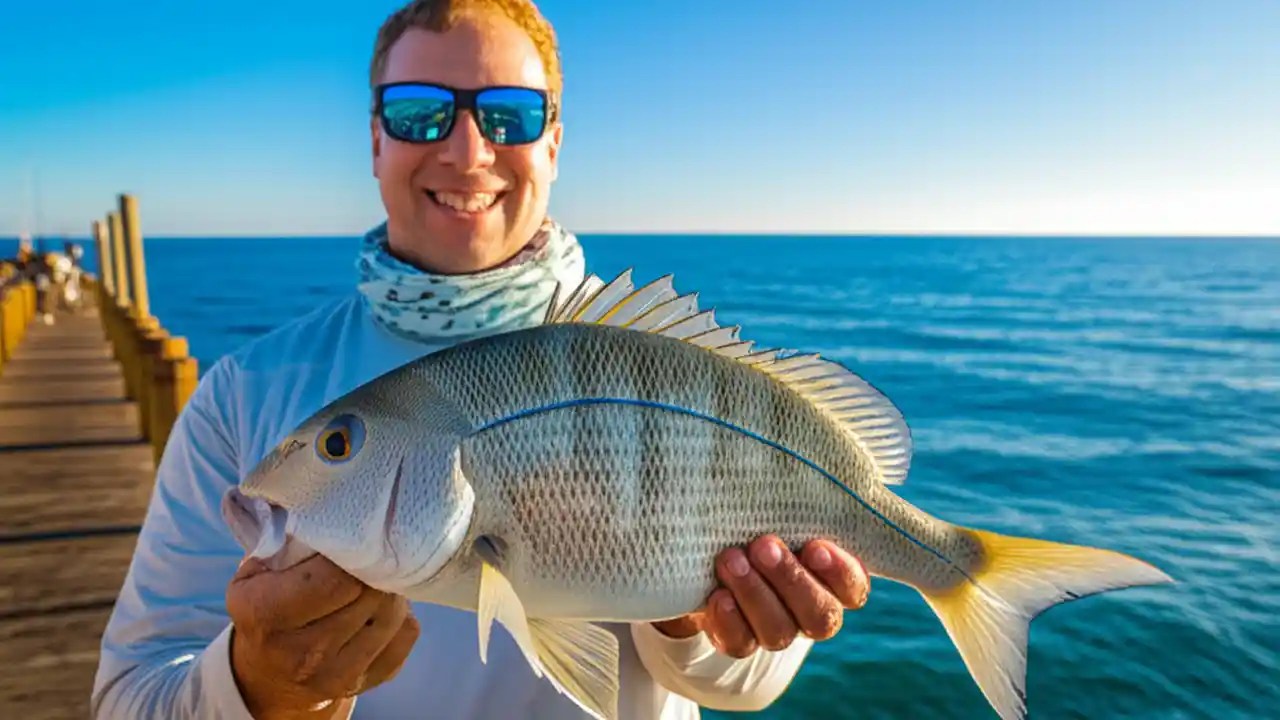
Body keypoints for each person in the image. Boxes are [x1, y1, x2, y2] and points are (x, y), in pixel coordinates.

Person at [91, 1, 872, 718]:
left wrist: (694, 617)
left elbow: (745, 684)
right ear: (375, 140)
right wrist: (255, 689)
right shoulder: (242, 400)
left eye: (510, 115)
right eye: (419, 113)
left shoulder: (658, 366)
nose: (467, 152)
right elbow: (128, 693)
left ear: (555, 142)